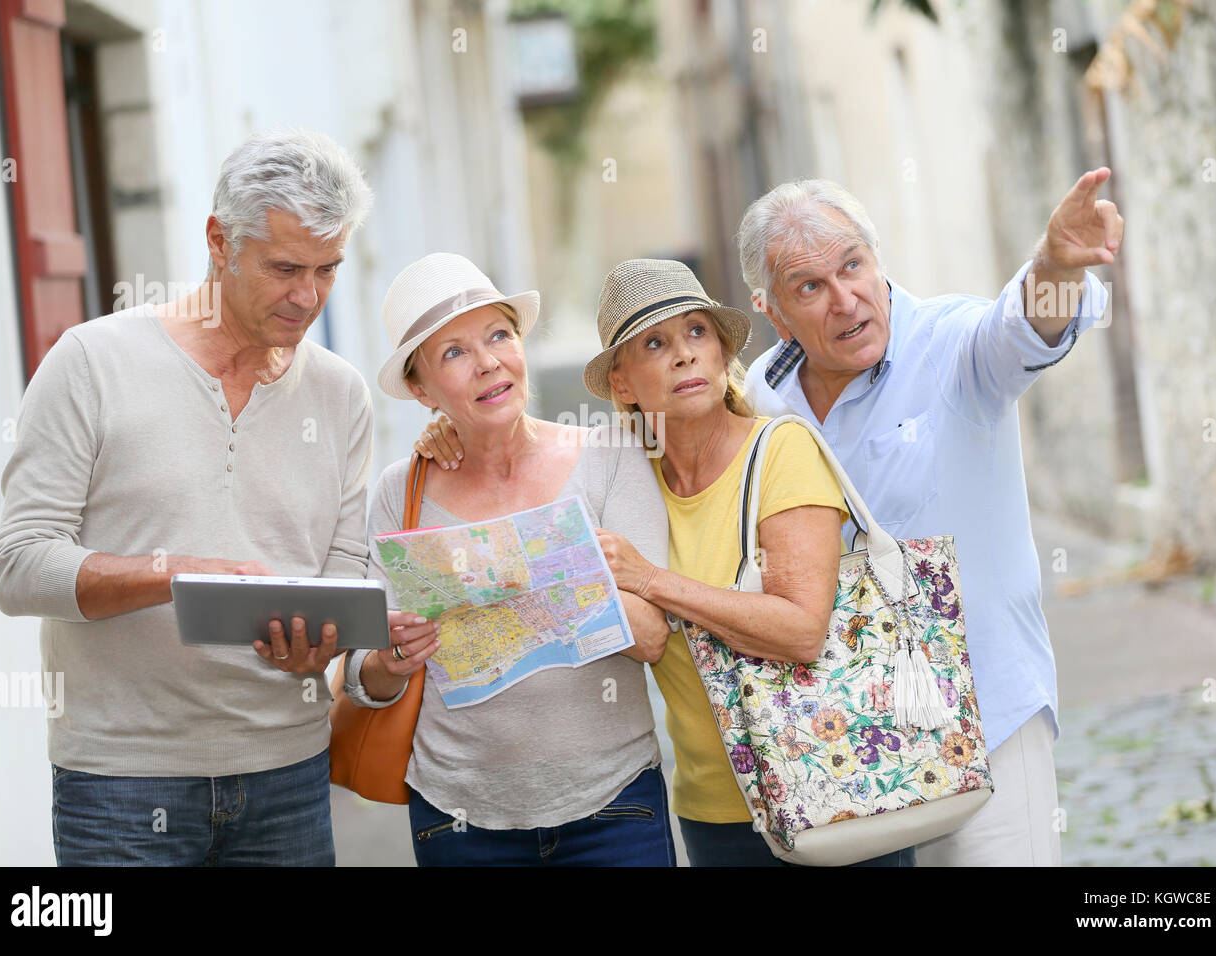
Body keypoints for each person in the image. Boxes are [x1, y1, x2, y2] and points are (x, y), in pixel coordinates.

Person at [0, 129, 408, 866]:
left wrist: (325, 646)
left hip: (289, 774)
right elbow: (17, 566)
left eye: (328, 269)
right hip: (121, 784)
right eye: (284, 268)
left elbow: (342, 578)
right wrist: (170, 576)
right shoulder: (91, 363)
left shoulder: (342, 396)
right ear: (219, 240)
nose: (307, 296)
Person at [417, 258, 914, 867]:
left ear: (721, 350)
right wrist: (448, 434)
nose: (684, 355)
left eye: (697, 333)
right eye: (655, 342)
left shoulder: (779, 450)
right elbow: (532, 457)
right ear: (622, 383)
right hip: (716, 812)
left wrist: (652, 580)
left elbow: (803, 629)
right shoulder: (625, 472)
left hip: (834, 783)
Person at [735, 168, 1124, 865]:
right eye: (810, 286)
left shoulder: (951, 346)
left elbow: (1023, 328)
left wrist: (1057, 264)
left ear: (877, 259)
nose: (845, 298)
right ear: (773, 309)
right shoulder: (762, 395)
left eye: (853, 265)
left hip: (984, 718)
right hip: (847, 735)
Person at [343, 252, 675, 866]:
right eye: (453, 353)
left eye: (499, 335)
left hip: (614, 804)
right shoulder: (401, 491)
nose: (488, 362)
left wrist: (556, 574)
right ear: (420, 389)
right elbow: (364, 676)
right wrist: (392, 659)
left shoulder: (608, 453)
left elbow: (654, 636)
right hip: (458, 817)